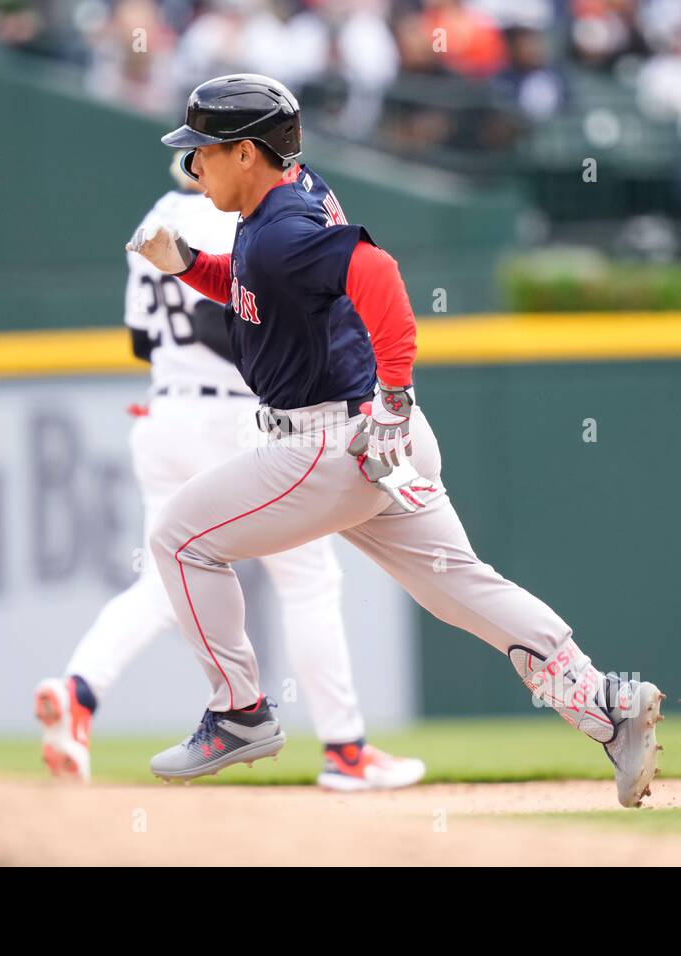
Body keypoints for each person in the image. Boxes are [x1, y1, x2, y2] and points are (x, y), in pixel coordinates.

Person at [126, 73, 666, 807]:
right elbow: (263, 290)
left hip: (333, 441)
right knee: (460, 588)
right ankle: (606, 706)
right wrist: (191, 267)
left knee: (180, 539)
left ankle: (239, 713)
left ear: (247, 154)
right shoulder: (282, 199)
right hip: (376, 441)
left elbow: (376, 272)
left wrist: (394, 395)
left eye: (205, 152)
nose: (194, 167)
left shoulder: (281, 228)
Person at [33, 157, 426, 792]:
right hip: (240, 419)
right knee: (309, 583)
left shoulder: (157, 218)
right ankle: (346, 751)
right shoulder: (240, 219)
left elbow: (142, 340)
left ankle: (80, 690)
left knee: (164, 579)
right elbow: (247, 323)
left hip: (164, 414)